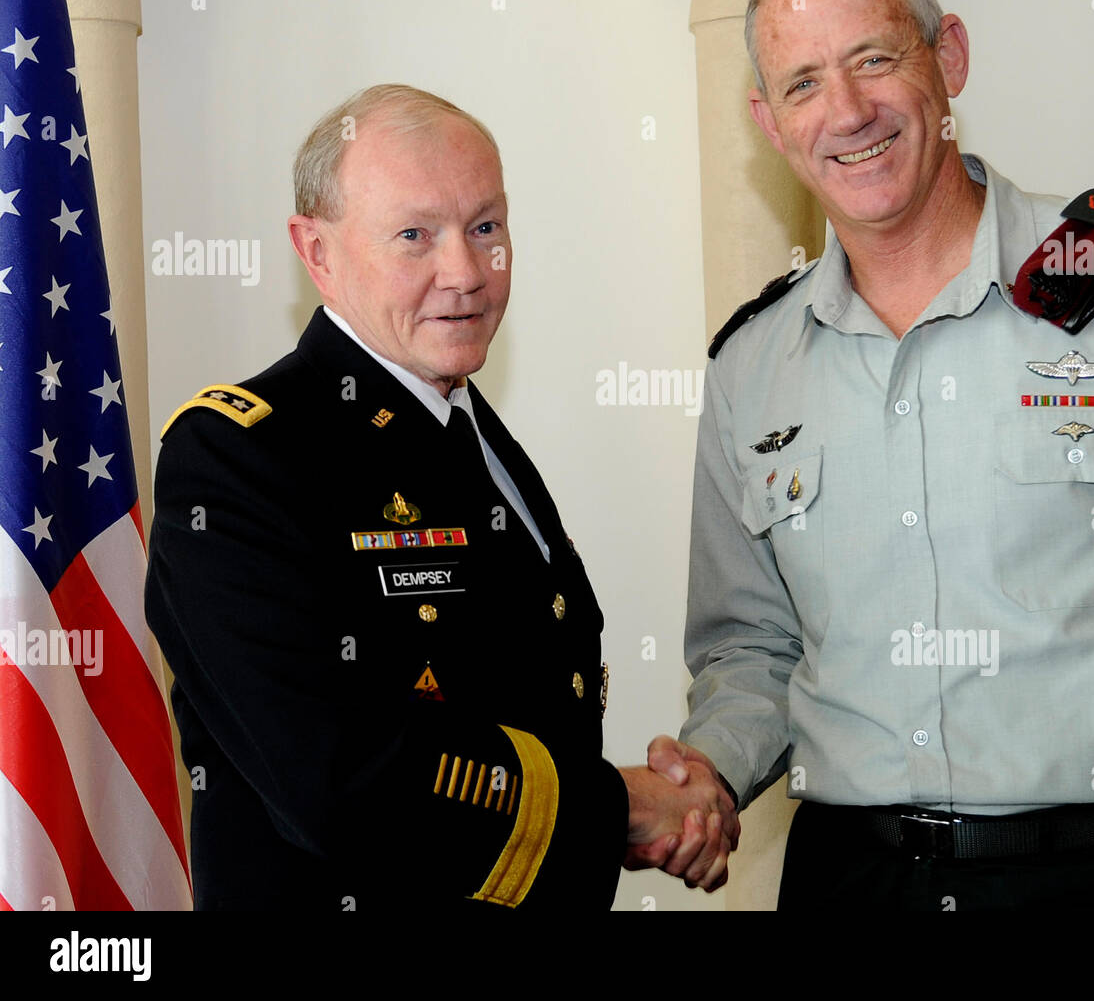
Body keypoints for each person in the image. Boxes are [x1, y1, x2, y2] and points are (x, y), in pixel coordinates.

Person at [647, 0, 1094, 911]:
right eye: (803, 82)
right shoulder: (752, 365)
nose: (848, 111)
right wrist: (701, 777)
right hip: (847, 880)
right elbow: (752, 646)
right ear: (769, 122)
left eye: (875, 58)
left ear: (947, 57)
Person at [145, 84, 736, 910]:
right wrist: (621, 807)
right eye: (414, 235)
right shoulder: (239, 455)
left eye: (485, 228)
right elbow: (333, 772)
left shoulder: (473, 431)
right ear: (316, 253)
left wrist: (630, 818)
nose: (464, 273)